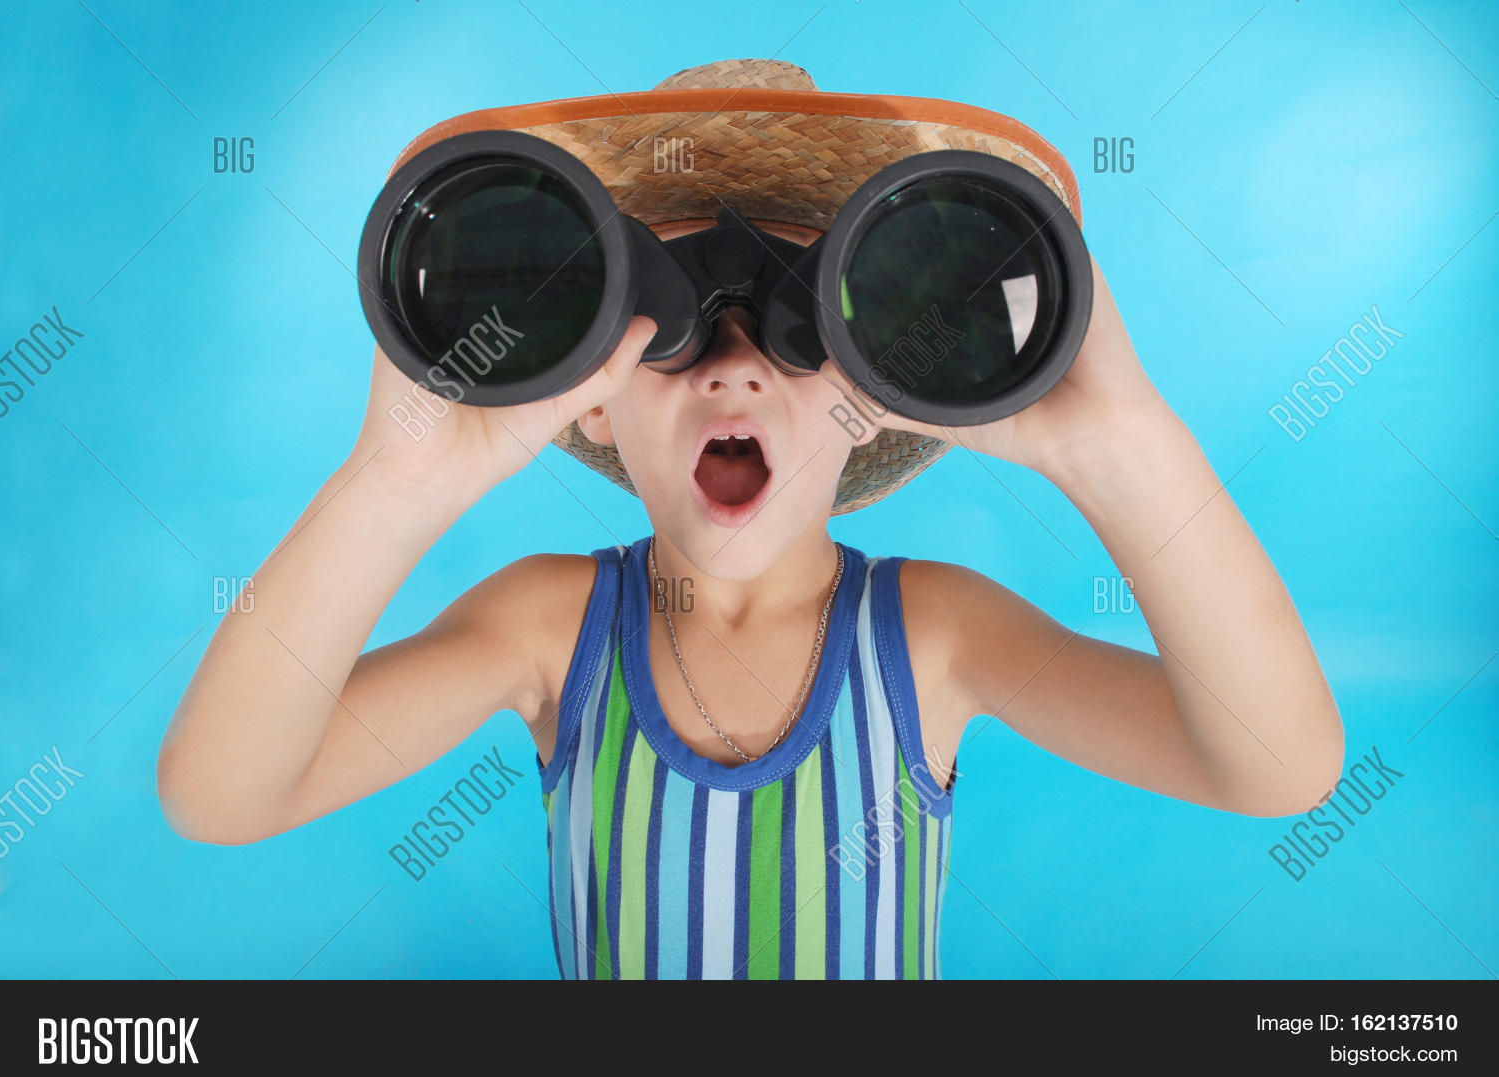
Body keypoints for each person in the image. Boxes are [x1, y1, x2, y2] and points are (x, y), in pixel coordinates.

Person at [157, 60, 1343, 979]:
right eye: (662, 328)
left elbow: (1276, 767)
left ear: (874, 397)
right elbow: (221, 795)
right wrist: (394, 482)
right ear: (596, 406)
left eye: (797, 330)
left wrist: (1124, 451)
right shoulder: (551, 626)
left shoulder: (930, 637)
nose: (733, 373)